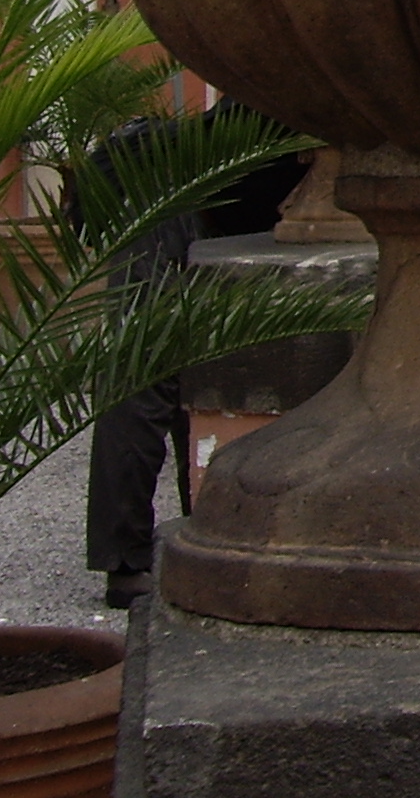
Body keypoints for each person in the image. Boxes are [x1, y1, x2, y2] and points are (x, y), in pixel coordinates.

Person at [80, 111, 307, 607]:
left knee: (176, 368)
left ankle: (171, 536)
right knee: (145, 370)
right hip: (173, 198)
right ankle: (125, 558)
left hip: (201, 192)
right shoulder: (297, 80)